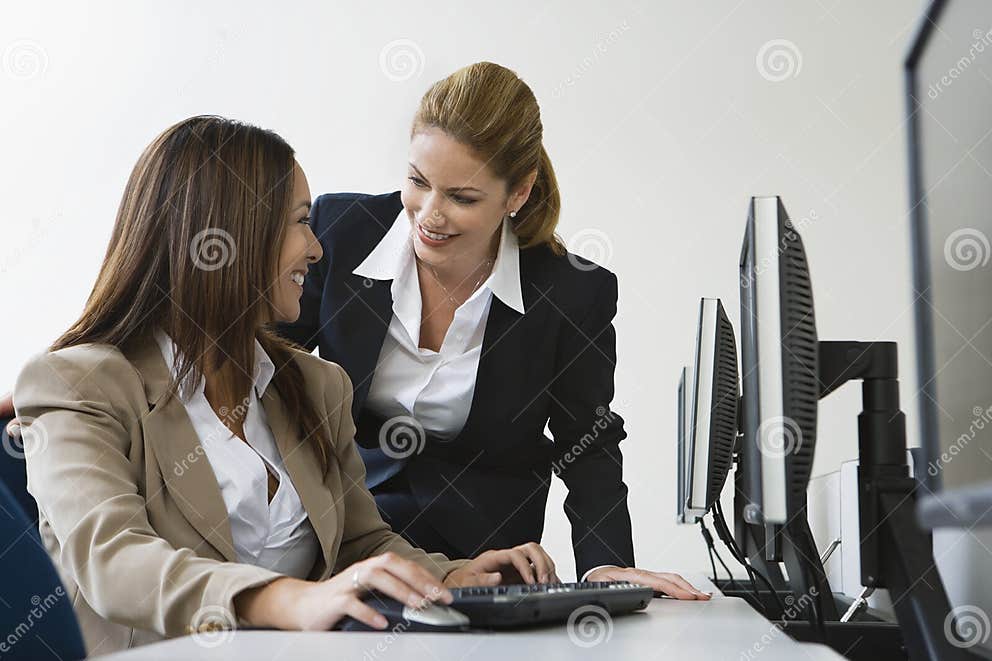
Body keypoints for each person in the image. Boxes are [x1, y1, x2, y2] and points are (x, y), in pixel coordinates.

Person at [9, 115, 557, 655]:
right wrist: (286, 600)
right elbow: (114, 560)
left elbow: (360, 544)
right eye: (300, 222)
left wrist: (453, 578)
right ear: (231, 235)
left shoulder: (315, 386)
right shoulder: (77, 385)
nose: (317, 250)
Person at [274, 61, 709, 598]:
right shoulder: (339, 232)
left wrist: (605, 568)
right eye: (418, 182)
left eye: (462, 197)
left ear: (517, 195)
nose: (429, 214)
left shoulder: (570, 293)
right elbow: (264, 374)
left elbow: (587, 442)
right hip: (346, 546)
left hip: (485, 561)